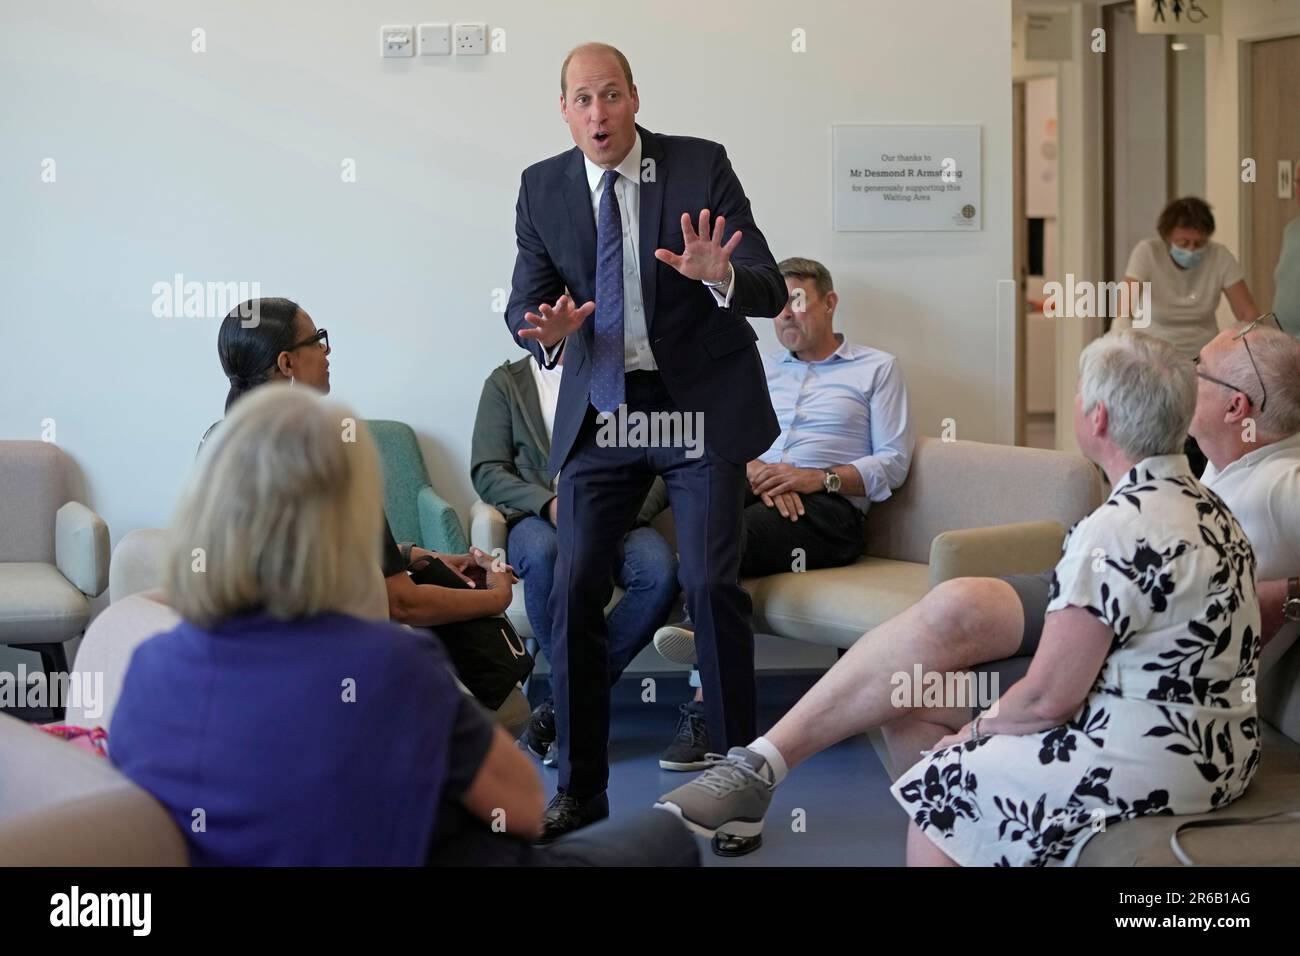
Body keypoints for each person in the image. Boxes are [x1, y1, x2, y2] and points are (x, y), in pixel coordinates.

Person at [657, 328, 1299, 862]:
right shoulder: (1208, 505)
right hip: (1218, 750)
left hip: (1152, 759)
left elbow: (1050, 698)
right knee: (916, 697)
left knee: (941, 789)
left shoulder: (1115, 528)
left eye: (1079, 394)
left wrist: (972, 739)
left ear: (1095, 418)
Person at [109, 385, 700, 866]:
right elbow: (522, 810)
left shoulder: (147, 668)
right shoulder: (387, 664)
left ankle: (571, 693)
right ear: (347, 523)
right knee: (669, 836)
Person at [504, 42, 786, 840]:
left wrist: (718, 275)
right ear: (565, 110)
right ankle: (580, 789)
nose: (598, 113)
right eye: (582, 99)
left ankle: (737, 790)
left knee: (706, 579)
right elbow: (525, 303)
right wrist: (548, 335)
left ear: (634, 98)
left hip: (698, 408)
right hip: (607, 407)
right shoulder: (542, 187)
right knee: (573, 578)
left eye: (612, 95)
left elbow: (767, 284)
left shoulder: (699, 168)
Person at [209, 298, 526, 726]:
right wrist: (496, 598)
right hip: (341, 668)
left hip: (251, 669)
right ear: (287, 363)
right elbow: (402, 604)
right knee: (512, 711)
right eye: (318, 340)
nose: (327, 351)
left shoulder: (217, 447)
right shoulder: (328, 459)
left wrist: (412, 554)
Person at [651, 256, 914, 771]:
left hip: (830, 510)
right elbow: (722, 435)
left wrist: (814, 478)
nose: (785, 316)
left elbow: (894, 462)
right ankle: (703, 657)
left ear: (829, 303)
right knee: (709, 521)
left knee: (721, 542)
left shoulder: (877, 369)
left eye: (795, 300)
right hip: (754, 487)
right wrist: (758, 472)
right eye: (776, 306)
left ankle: (705, 695)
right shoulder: (757, 369)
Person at [470, 346, 680, 764]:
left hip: (619, 518)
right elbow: (488, 470)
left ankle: (563, 708)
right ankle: (580, 711)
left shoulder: (627, 378)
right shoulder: (506, 384)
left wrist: (617, 513)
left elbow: (659, 463)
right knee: (547, 556)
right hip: (538, 520)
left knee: (658, 572)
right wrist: (549, 505)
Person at [1115, 196, 1260, 474]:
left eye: (1199, 244)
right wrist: (1120, 342)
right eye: (1183, 244)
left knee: (1200, 430)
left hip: (1202, 358)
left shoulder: (1220, 256)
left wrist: (1234, 349)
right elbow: (1125, 308)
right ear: (1167, 237)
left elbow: (1248, 312)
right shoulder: (1147, 252)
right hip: (1156, 356)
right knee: (1158, 426)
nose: (1192, 250)